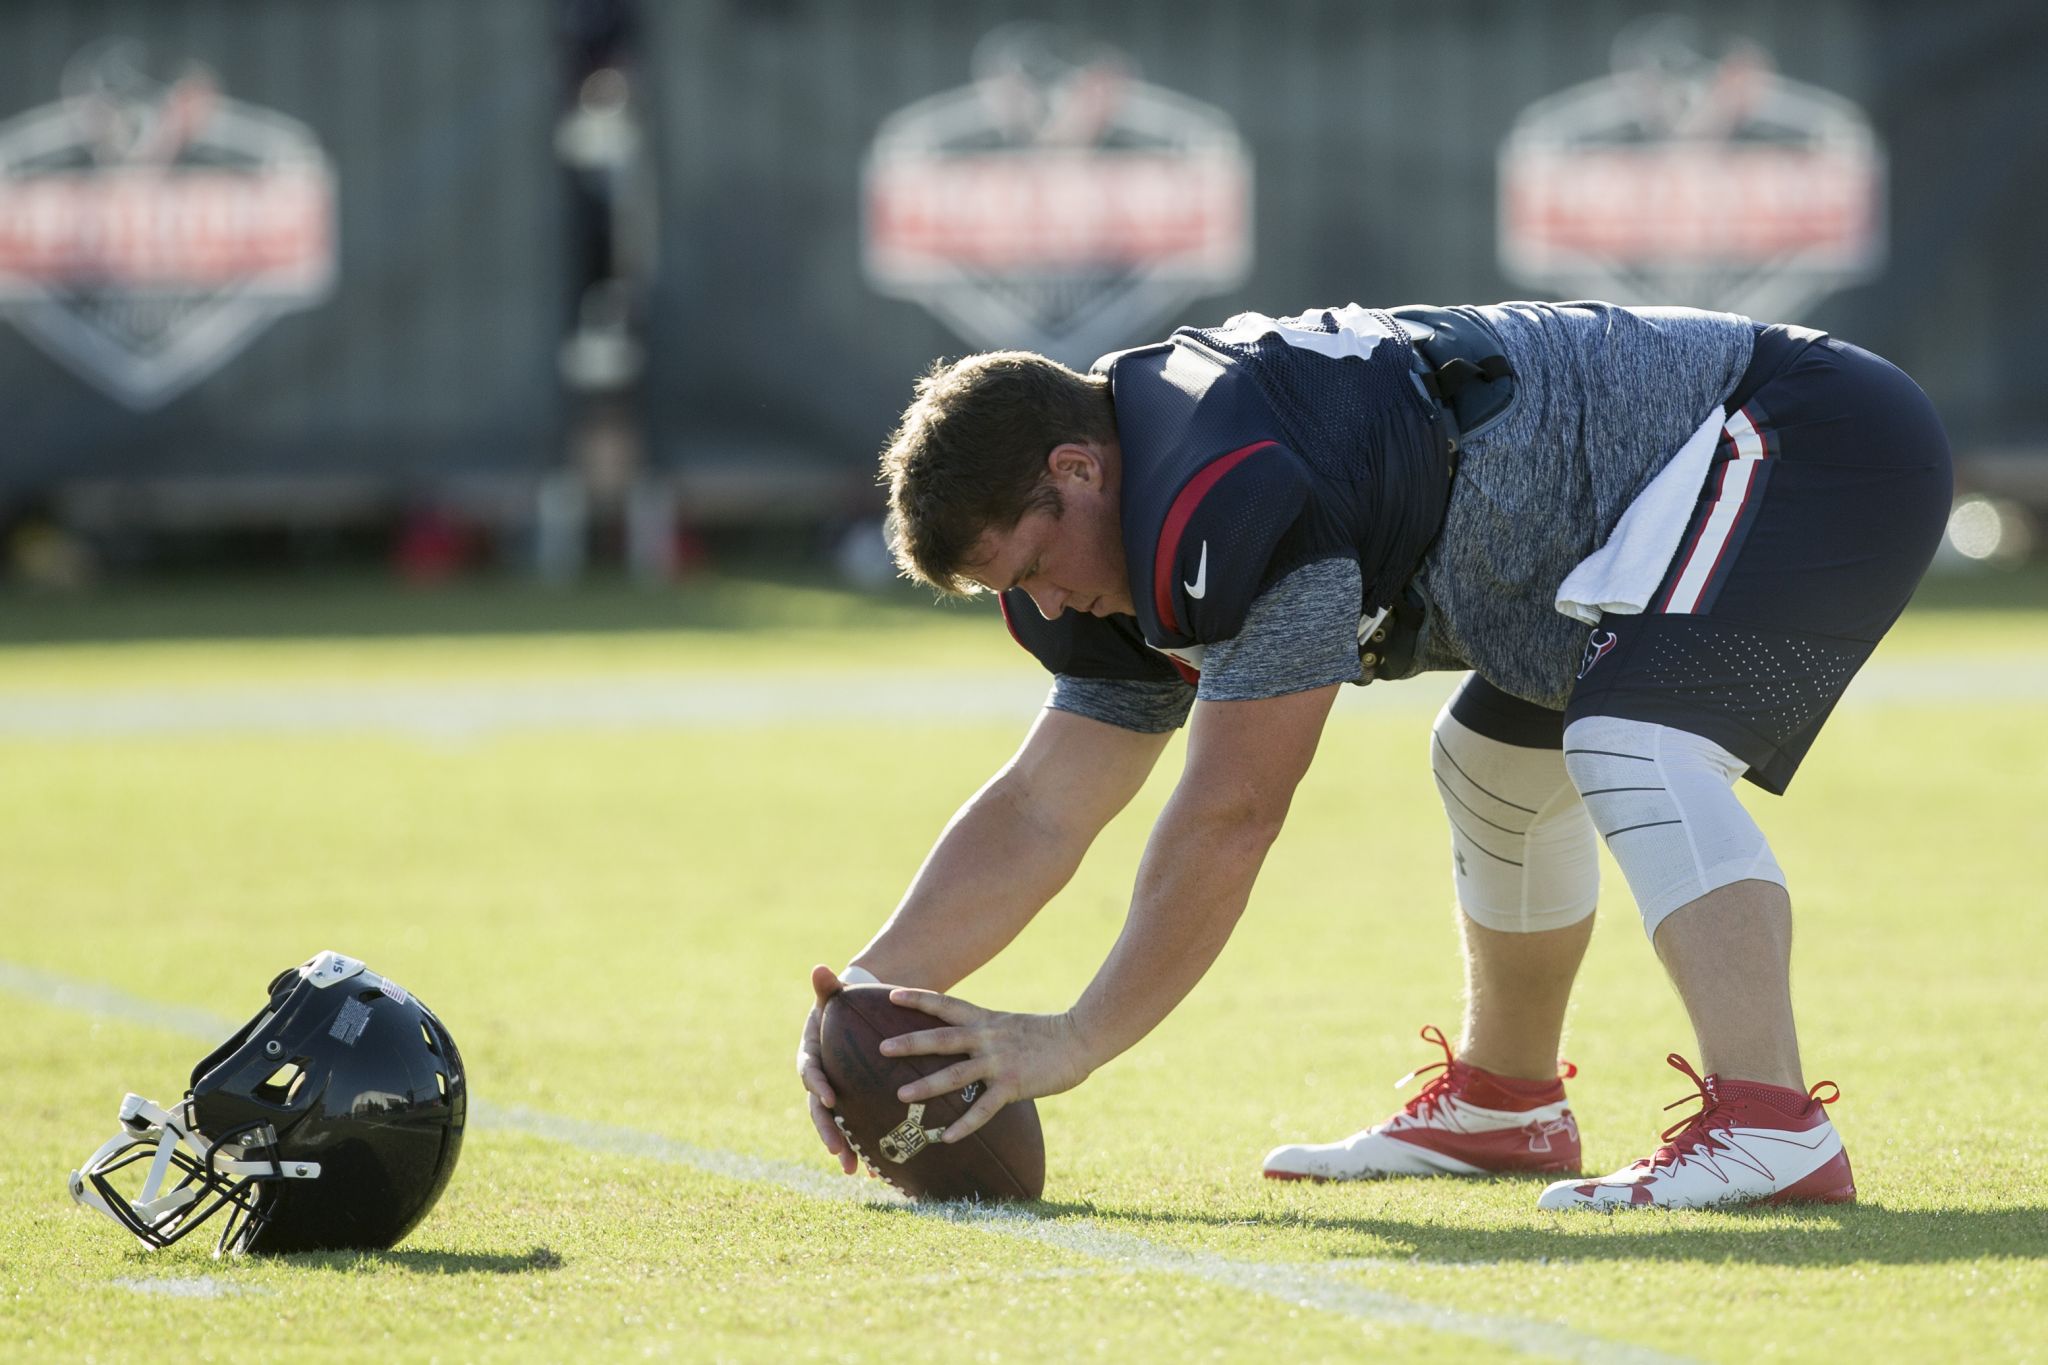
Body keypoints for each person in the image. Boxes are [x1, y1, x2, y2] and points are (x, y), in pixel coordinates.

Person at [795, 300, 1951, 1209]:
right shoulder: (1127, 524)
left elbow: (1230, 813)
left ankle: (1769, 1123)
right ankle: (1505, 1103)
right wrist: (862, 999)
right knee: (1492, 767)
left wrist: (1077, 1036)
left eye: (1036, 566)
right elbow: (1043, 806)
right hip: (1632, 516)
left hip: (1799, 432)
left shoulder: (1235, 494)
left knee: (1631, 745)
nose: (1046, 602)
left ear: (1078, 469)